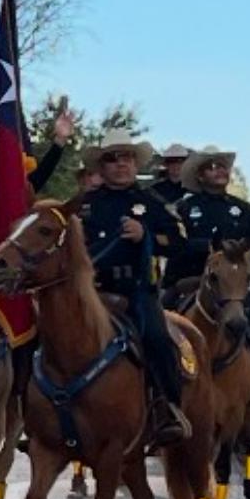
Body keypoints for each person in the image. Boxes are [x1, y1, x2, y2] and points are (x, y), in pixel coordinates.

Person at [77, 130, 190, 447]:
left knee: (157, 338)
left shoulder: (150, 203)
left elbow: (179, 243)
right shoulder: (85, 205)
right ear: (102, 166)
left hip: (136, 290)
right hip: (93, 292)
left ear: (134, 162)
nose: (120, 165)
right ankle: (41, 414)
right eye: (112, 159)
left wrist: (146, 236)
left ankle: (169, 409)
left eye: (126, 158)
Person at [163, 145, 250, 410]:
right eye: (212, 167)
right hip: (190, 281)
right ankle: (158, 387)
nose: (219, 171)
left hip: (234, 286)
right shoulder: (183, 208)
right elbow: (171, 243)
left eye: (222, 167)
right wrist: (205, 248)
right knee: (156, 316)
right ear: (200, 175)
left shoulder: (244, 210)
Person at [147, 143, 191, 209]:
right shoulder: (155, 190)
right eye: (171, 161)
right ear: (166, 164)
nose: (176, 165)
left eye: (180, 161)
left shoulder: (194, 189)